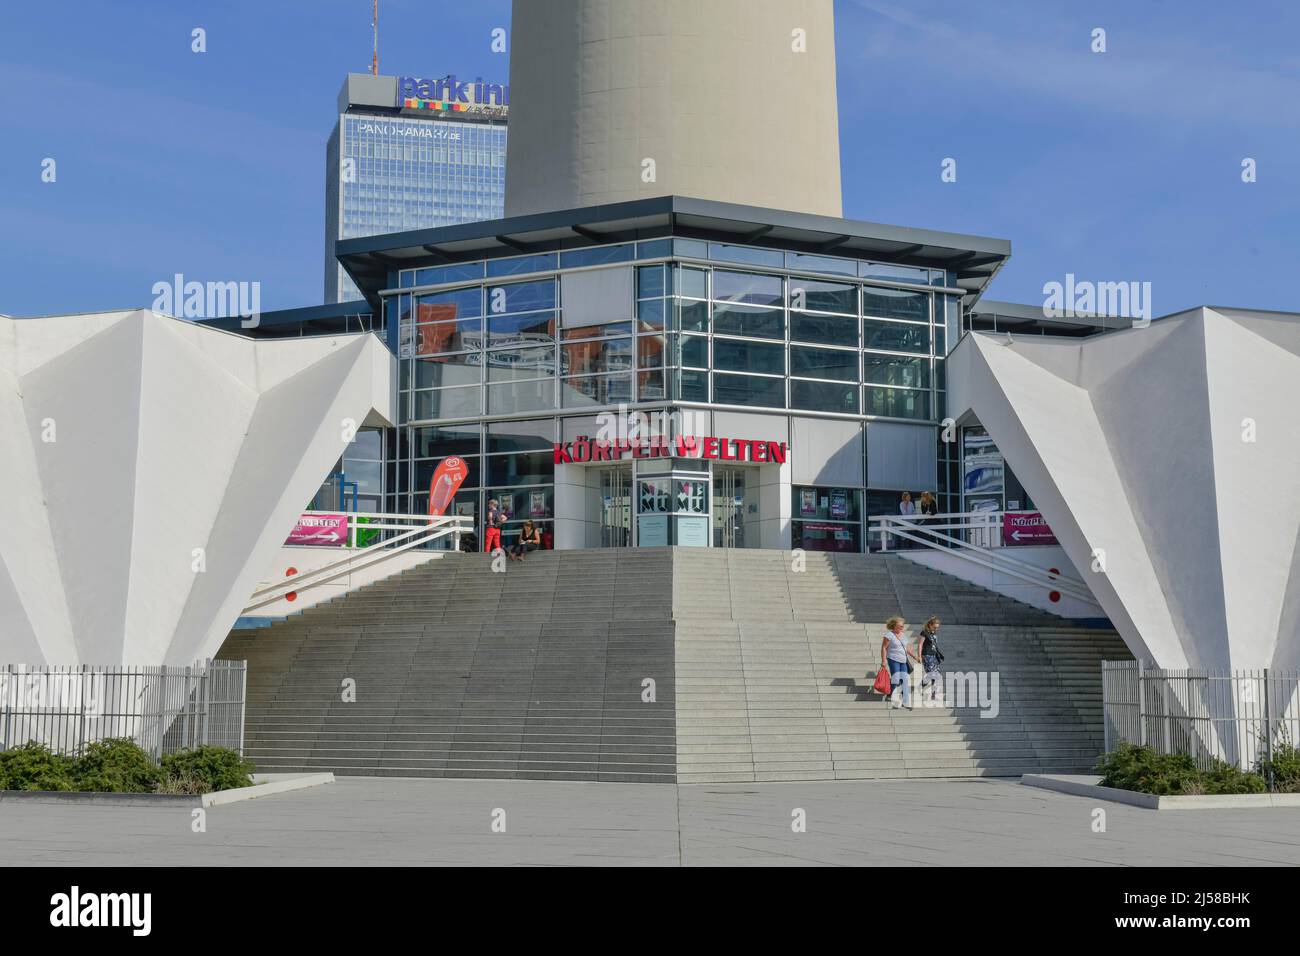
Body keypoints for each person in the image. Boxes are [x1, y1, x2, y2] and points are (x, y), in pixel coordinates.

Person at [880, 616, 920, 710]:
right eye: (900, 626)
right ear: (894, 626)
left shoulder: (903, 635)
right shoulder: (889, 635)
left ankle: (905, 701)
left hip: (903, 660)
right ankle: (891, 694)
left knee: (905, 680)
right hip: (893, 659)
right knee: (896, 678)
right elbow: (884, 648)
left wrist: (915, 656)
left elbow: (907, 648)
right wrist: (883, 660)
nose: (902, 628)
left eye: (902, 626)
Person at [917, 616, 944, 702]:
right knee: (932, 674)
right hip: (927, 655)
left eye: (937, 627)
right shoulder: (924, 633)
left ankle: (933, 694)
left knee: (937, 675)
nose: (936, 629)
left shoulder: (934, 633)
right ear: (930, 625)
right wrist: (919, 656)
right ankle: (921, 686)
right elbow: (920, 644)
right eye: (935, 627)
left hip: (934, 656)